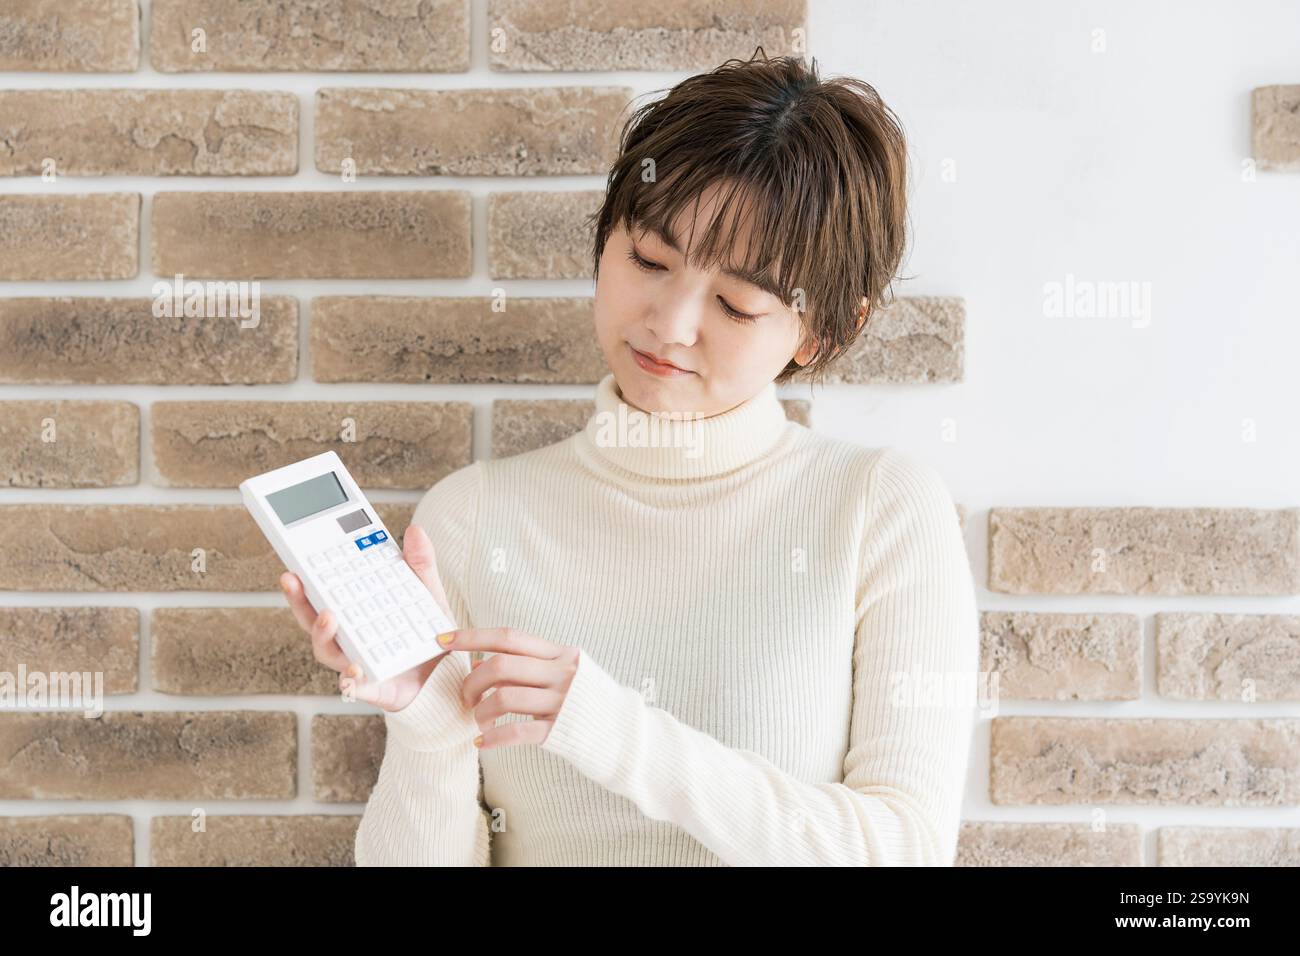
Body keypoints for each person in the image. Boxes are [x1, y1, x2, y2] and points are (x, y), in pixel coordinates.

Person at [280, 49, 980, 866]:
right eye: (649, 259)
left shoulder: (879, 509)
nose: (671, 324)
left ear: (824, 330)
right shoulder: (471, 520)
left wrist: (610, 729)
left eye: (737, 303)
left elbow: (902, 849)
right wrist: (428, 725)